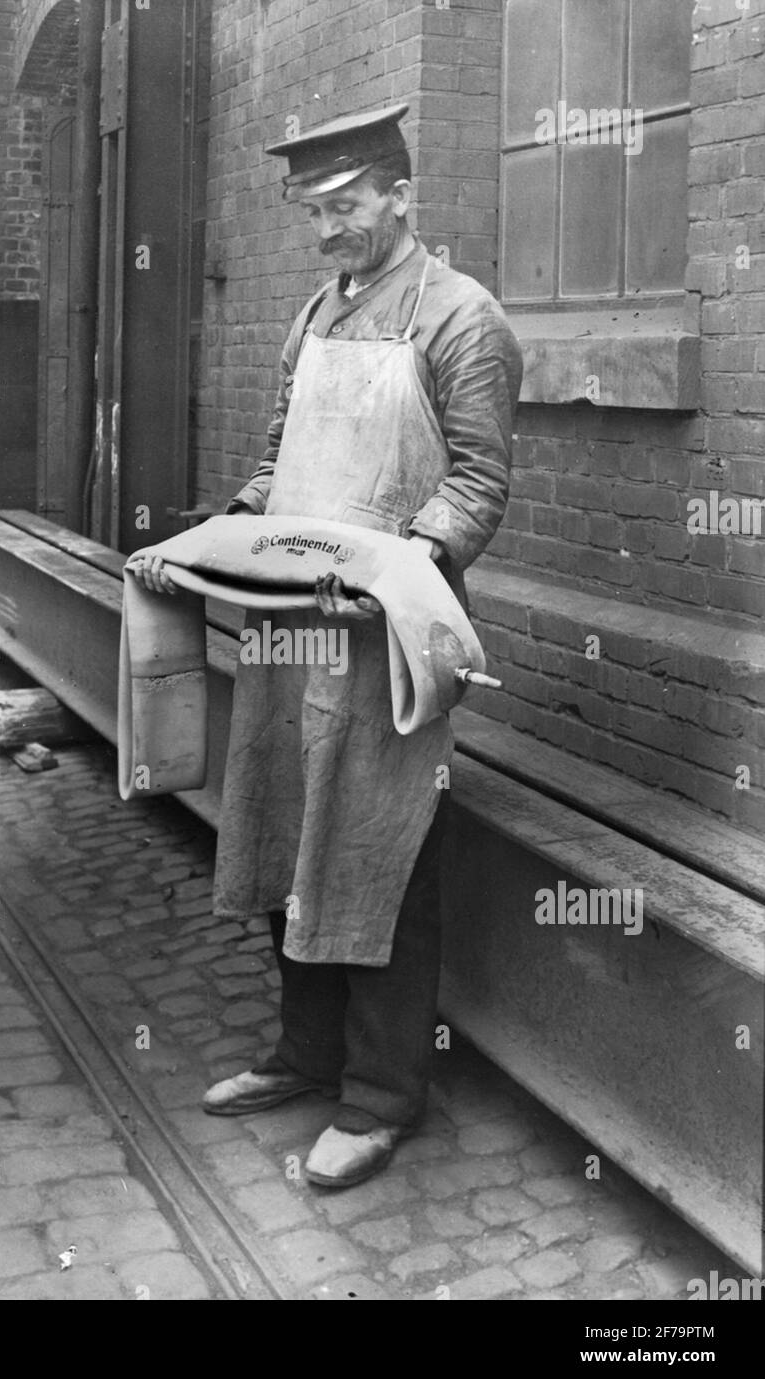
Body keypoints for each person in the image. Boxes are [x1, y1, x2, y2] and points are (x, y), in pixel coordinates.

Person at [135, 103, 523, 1188]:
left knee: (381, 854)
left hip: (384, 638)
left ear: (401, 193)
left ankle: (383, 1095)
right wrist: (207, 542)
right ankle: (305, 1055)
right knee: (283, 833)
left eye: (343, 207)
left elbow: (479, 483)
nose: (325, 232)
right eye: (312, 212)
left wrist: (399, 570)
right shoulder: (315, 313)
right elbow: (275, 465)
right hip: (286, 632)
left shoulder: (463, 319)